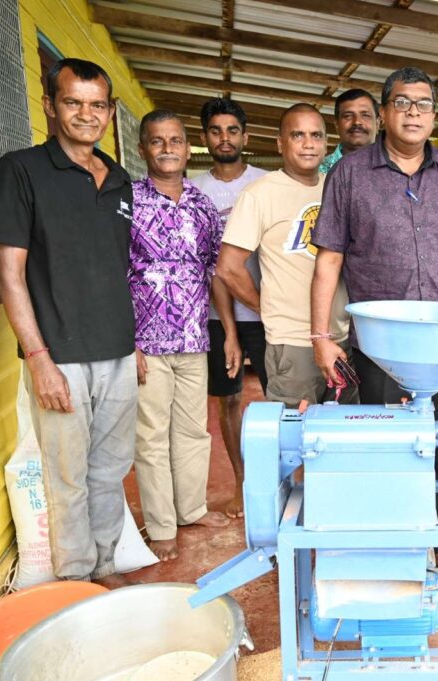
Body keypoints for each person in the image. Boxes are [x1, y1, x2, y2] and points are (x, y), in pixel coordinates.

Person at [0, 58, 138, 587]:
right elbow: (10, 273)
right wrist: (38, 357)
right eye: (73, 102)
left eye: (97, 105)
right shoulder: (21, 170)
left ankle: (105, 567)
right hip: (60, 356)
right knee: (67, 477)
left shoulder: (118, 178)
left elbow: (117, 268)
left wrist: (133, 344)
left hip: (117, 349)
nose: (86, 115)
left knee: (110, 472)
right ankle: (75, 583)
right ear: (50, 106)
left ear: (110, 110)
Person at [310, 66, 438, 404]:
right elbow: (329, 259)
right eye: (402, 102)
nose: (413, 112)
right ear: (383, 114)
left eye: (423, 104)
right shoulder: (349, 173)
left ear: (434, 115)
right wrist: (321, 337)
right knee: (387, 444)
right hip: (381, 344)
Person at [130, 110, 231, 562]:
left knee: (193, 430)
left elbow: (217, 271)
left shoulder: (201, 205)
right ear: (142, 149)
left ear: (188, 148)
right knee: (152, 435)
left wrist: (228, 330)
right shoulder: (127, 200)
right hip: (146, 339)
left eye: (175, 140)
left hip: (194, 337)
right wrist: (125, 340)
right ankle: (161, 524)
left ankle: (190, 509)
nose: (167, 148)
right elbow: (113, 271)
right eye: (157, 141)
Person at [216, 104, 355, 408]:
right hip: (293, 341)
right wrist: (265, 307)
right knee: (295, 441)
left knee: (339, 440)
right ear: (280, 143)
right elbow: (228, 268)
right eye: (298, 135)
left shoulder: (337, 186)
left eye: (316, 135)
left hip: (342, 335)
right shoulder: (260, 194)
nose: (308, 144)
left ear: (326, 143)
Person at [192, 97, 268, 518]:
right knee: (230, 399)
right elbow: (211, 265)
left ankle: (279, 483)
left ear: (246, 136)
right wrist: (229, 329)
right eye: (216, 131)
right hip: (217, 316)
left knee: (280, 399)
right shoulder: (195, 191)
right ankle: (241, 482)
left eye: (232, 130)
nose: (225, 138)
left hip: (268, 311)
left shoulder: (266, 183)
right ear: (204, 138)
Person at [319, 88, 380, 174]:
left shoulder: (397, 169)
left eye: (365, 115)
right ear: (337, 125)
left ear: (377, 124)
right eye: (348, 116)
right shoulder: (317, 171)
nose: (357, 122)